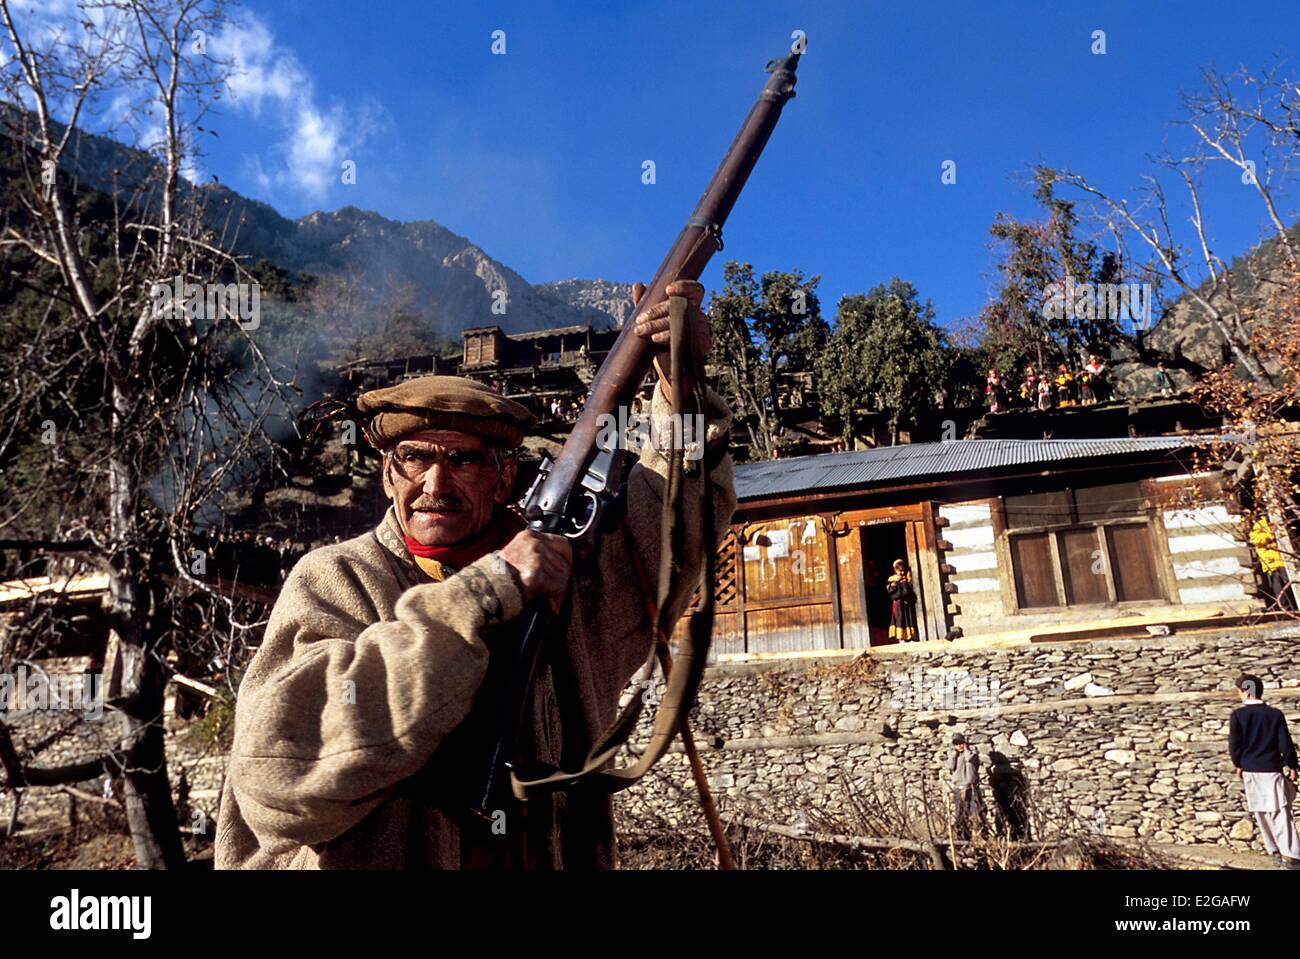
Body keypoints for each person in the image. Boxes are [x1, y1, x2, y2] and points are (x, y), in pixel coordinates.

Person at [214, 280, 736, 870]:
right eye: (415, 457)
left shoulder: (564, 579)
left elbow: (674, 520)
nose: (435, 485)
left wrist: (681, 388)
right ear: (388, 474)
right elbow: (279, 770)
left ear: (504, 478)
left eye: (462, 460)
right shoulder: (335, 577)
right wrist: (484, 593)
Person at [1228, 674, 1300, 868]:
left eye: (1240, 691)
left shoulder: (1238, 715)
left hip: (1251, 770)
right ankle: (1290, 854)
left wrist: (1238, 764)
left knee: (1261, 811)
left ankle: (1275, 850)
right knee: (1280, 812)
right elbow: (1285, 743)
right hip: (1271, 769)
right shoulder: (1274, 714)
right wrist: (1292, 765)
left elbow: (1235, 745)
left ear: (1246, 691)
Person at [1249, 516, 1297, 612]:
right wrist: (1271, 533)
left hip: (1283, 561)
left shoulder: (1279, 523)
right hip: (1272, 563)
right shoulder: (1258, 527)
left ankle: (1292, 604)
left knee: (1289, 582)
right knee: (1278, 585)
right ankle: (1285, 606)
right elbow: (1258, 540)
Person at [948, 733, 984, 839]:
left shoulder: (972, 753)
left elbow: (969, 759)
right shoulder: (954, 756)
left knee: (976, 814)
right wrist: (954, 754)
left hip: (972, 788)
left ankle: (979, 839)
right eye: (956, 744)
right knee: (960, 815)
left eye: (961, 743)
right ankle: (962, 839)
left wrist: (966, 749)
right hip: (959, 789)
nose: (959, 745)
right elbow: (950, 766)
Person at [886, 558, 918, 643]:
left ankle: (909, 637)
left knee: (908, 619)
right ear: (895, 570)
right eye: (900, 571)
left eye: (903, 570)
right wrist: (903, 584)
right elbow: (896, 593)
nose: (902, 573)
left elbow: (908, 592)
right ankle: (900, 638)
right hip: (898, 604)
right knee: (899, 620)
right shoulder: (892, 580)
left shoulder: (907, 579)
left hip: (906, 604)